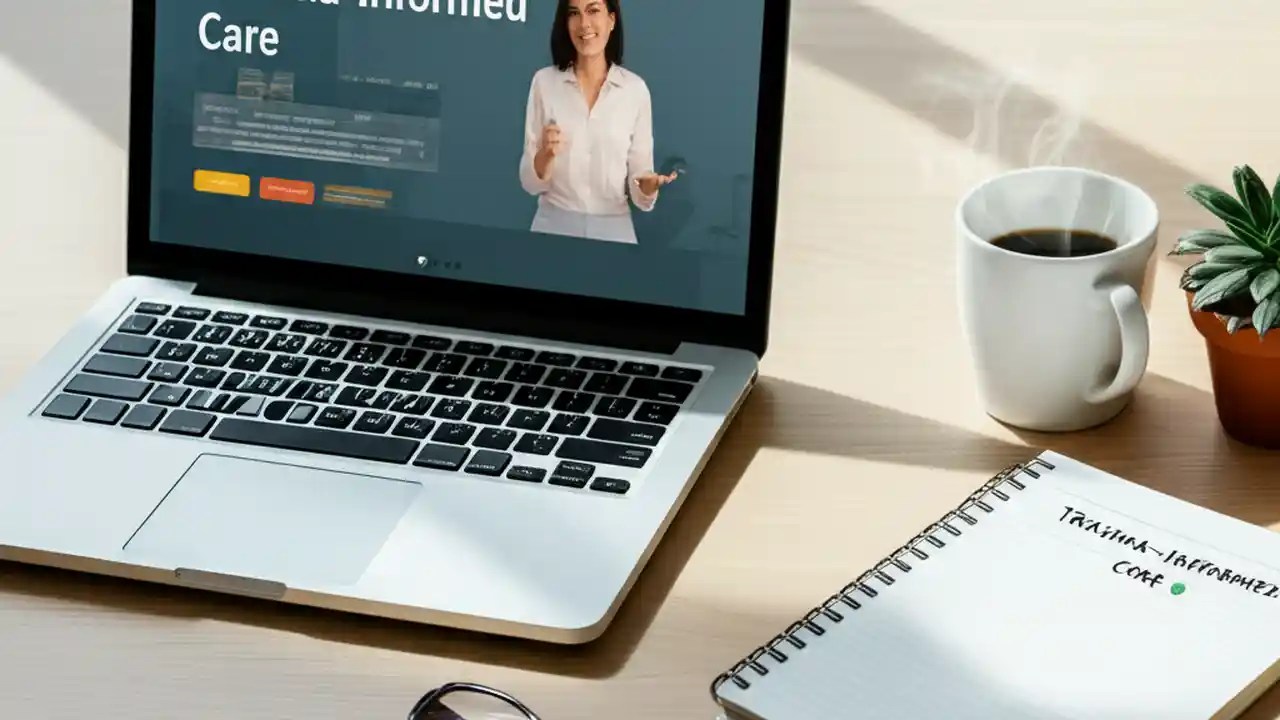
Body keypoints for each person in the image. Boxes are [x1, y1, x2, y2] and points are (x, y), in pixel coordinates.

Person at [518, 0, 679, 244]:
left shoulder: (634, 90)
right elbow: (529, 183)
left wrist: (648, 185)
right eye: (574, 13)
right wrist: (546, 156)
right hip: (552, 227)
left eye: (593, 10)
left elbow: (640, 191)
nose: (584, 23)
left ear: (611, 20)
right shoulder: (544, 83)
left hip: (614, 232)